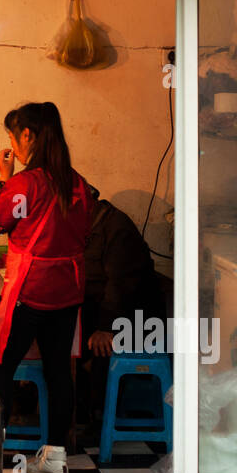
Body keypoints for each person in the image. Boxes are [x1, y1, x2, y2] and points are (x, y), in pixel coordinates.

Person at [0, 101, 95, 473]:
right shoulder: (79, 184)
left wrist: (1, 178)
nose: (13, 141)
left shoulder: (26, 183)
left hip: (29, 289)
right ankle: (55, 458)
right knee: (58, 372)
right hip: (68, 290)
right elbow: (83, 233)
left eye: (13, 135)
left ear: (26, 136)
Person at [76, 189, 169, 445]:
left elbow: (121, 285)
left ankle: (100, 417)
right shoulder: (86, 226)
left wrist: (107, 327)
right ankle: (74, 411)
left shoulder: (116, 229)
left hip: (136, 321)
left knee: (100, 345)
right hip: (104, 312)